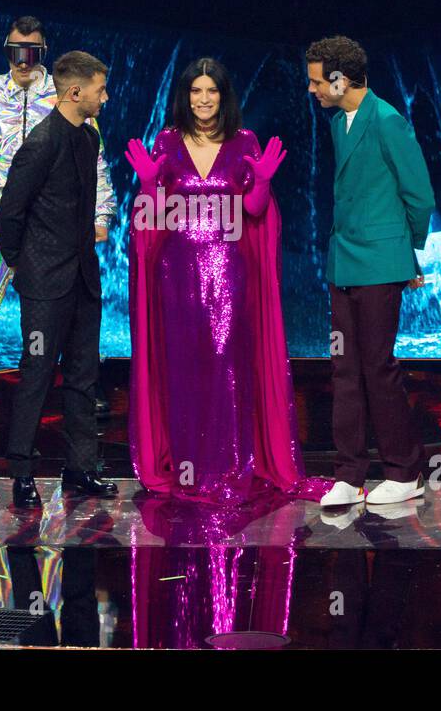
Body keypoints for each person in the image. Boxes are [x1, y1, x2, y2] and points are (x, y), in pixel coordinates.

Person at [125, 57, 321, 503]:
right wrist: (152, 184)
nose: (203, 99)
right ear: (185, 96)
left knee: (225, 365)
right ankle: (188, 464)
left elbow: (253, 210)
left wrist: (264, 183)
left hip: (228, 271)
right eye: (195, 91)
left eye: (211, 90)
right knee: (183, 366)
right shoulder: (167, 140)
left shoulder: (243, 140)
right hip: (175, 272)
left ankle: (229, 463)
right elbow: (153, 213)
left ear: (223, 95)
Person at [0, 17, 114, 421]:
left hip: (56, 212)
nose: (24, 61)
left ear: (43, 53)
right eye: (16, 52)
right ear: (7, 51)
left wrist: (101, 213)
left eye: (32, 53)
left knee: (70, 300)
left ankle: (86, 385)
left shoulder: (65, 94)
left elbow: (93, 157)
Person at [308, 36, 435, 508]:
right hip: (345, 261)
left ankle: (404, 471)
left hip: (380, 264)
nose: (313, 89)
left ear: (341, 79)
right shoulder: (340, 122)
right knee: (345, 369)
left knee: (378, 369)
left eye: (318, 81)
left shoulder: (386, 120)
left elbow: (419, 196)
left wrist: (405, 257)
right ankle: (350, 473)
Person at [0, 51, 117, 508]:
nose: (104, 97)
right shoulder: (41, 143)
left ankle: (80, 469)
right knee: (37, 374)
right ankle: (22, 474)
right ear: (74, 91)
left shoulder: (88, 140)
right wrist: (25, 266)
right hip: (46, 284)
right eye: (100, 89)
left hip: (84, 280)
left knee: (85, 376)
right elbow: (10, 214)